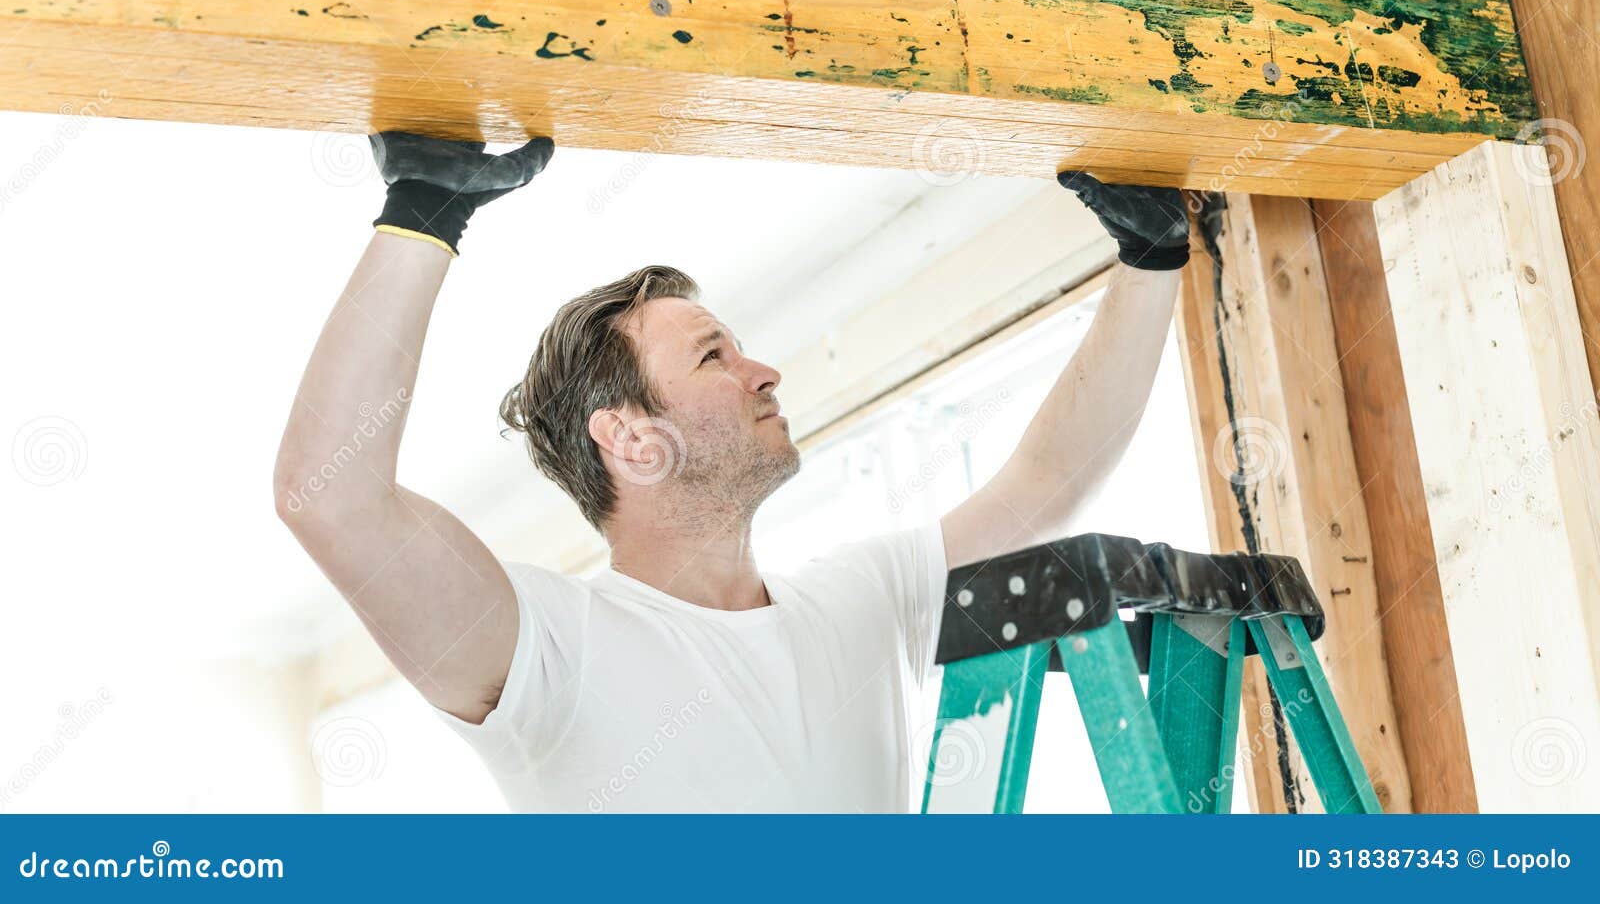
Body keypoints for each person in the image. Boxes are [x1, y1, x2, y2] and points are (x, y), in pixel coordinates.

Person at [273, 131, 1190, 812]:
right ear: (631, 439)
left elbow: (1048, 479)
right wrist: (427, 207)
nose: (764, 372)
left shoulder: (859, 601)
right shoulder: (548, 649)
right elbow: (333, 495)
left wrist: (1151, 260)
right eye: (715, 357)